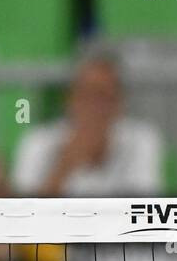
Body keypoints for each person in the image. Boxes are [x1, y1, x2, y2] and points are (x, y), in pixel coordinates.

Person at [11, 55, 164, 197]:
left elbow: (144, 207)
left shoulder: (142, 139)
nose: (94, 107)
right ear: (69, 100)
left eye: (104, 97)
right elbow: (23, 214)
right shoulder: (37, 142)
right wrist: (64, 167)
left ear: (120, 103)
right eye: (86, 96)